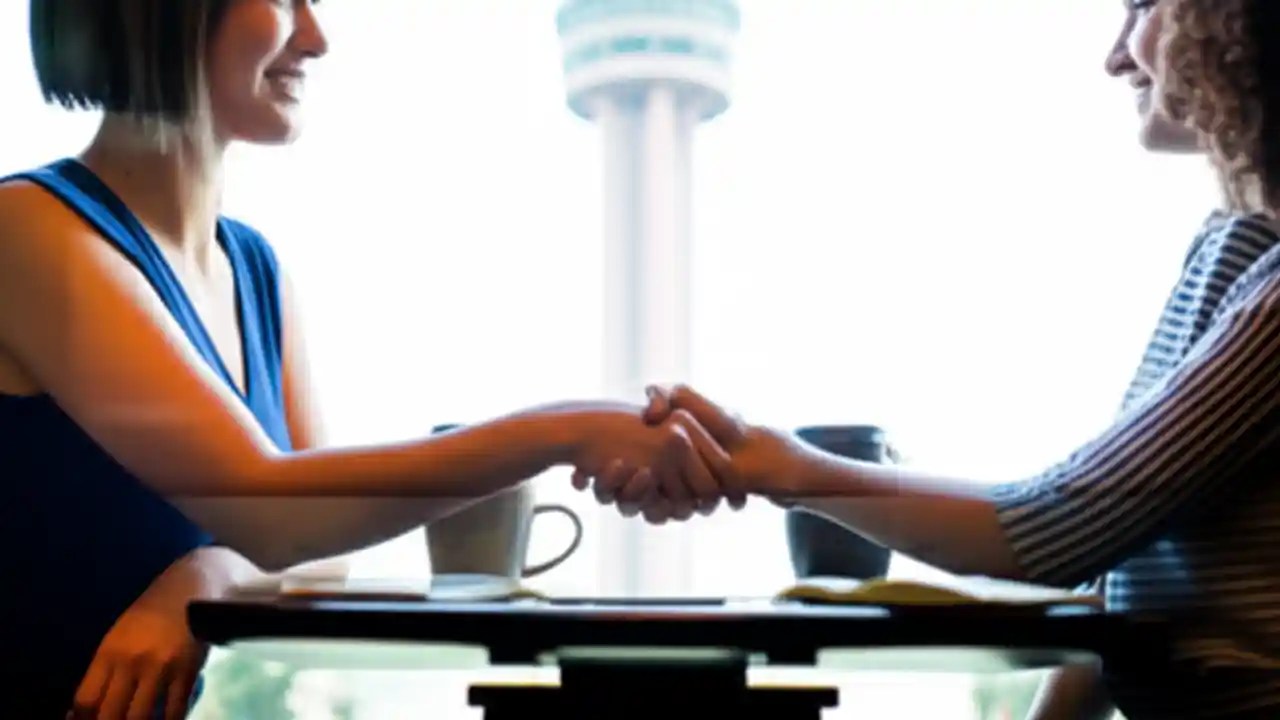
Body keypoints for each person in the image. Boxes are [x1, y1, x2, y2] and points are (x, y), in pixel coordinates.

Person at [0, 0, 723, 716]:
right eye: (286, 0)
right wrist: (567, 429)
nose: (315, 40)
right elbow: (274, 512)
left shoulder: (253, 269)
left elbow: (320, 552)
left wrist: (213, 572)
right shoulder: (26, 231)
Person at [628, 0, 1280, 717]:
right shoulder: (1234, 248)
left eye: (1144, 7)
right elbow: (1115, 555)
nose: (1118, 56)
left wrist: (773, 466)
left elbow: (1052, 530)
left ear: (1236, 22)